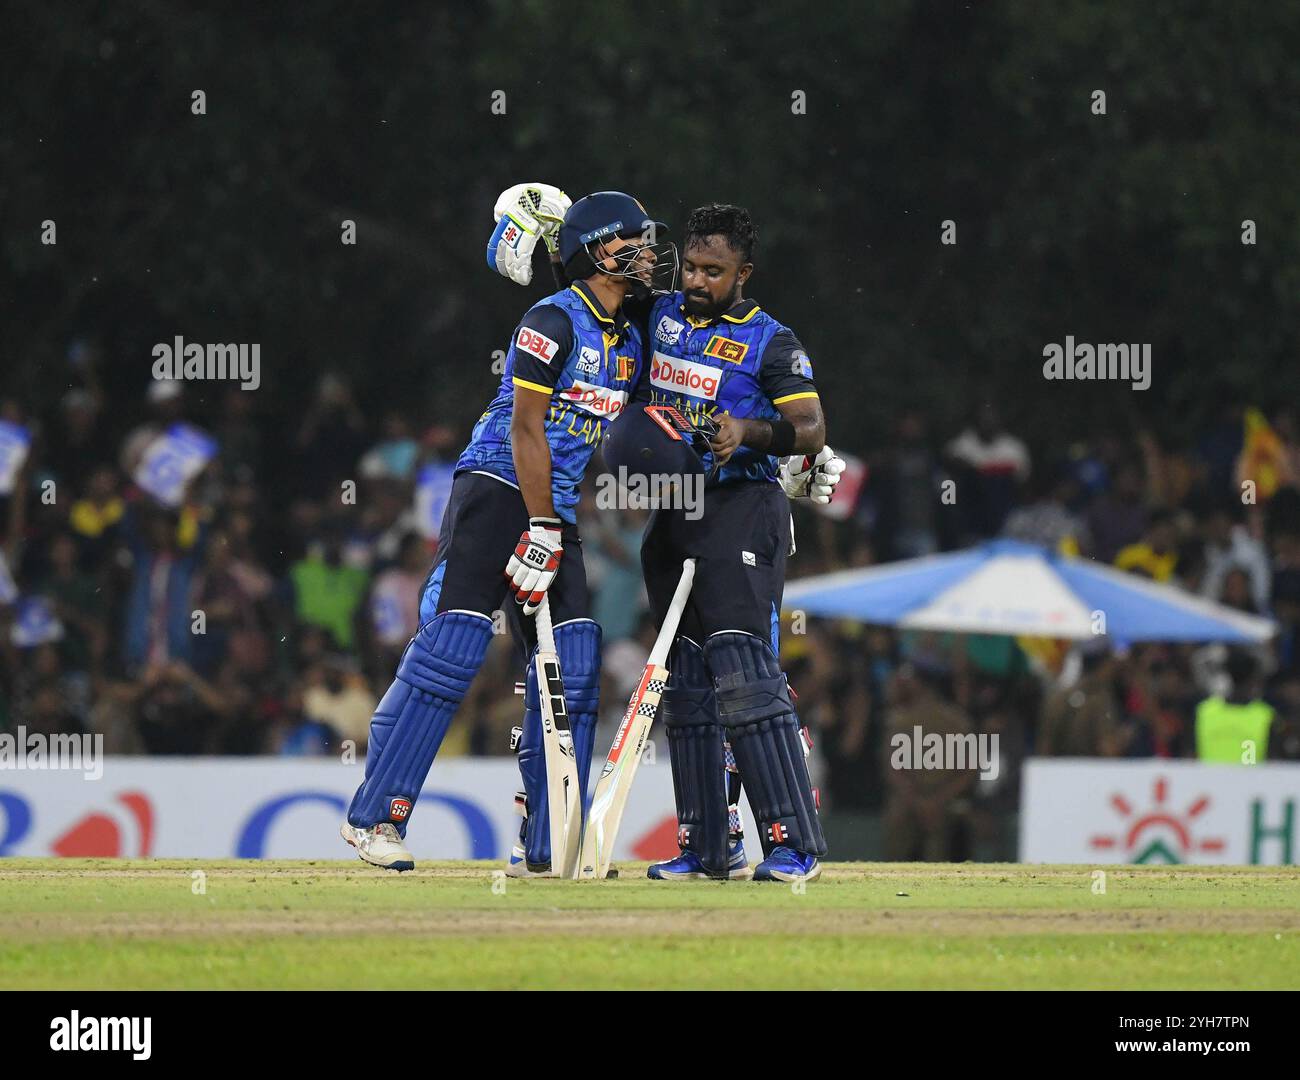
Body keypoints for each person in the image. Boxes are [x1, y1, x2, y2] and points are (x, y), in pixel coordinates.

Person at [341, 187, 671, 872]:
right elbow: (525, 427)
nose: (648, 253)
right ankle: (376, 819)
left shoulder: (631, 336)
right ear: (595, 253)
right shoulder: (550, 319)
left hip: (555, 506)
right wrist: (543, 525)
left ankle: (554, 838)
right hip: (496, 487)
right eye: (631, 240)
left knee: (574, 666)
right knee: (459, 645)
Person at [612, 204, 842, 882]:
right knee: (687, 682)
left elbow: (810, 428)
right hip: (673, 513)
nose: (696, 280)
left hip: (744, 509)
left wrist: (747, 432)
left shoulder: (772, 340)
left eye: (714, 271)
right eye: (690, 266)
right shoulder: (659, 315)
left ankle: (794, 845)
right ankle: (708, 846)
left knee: (744, 673)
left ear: (744, 273)